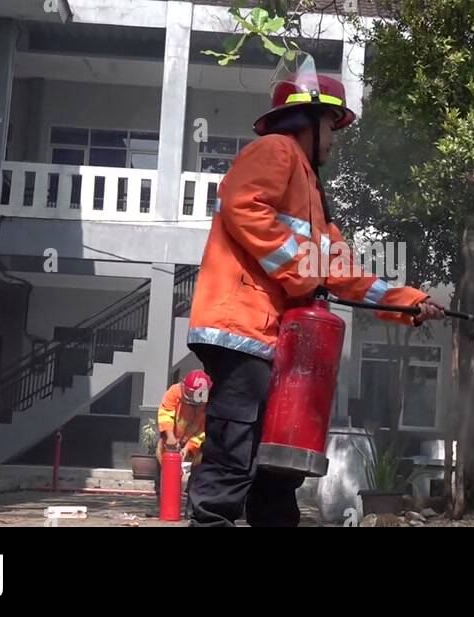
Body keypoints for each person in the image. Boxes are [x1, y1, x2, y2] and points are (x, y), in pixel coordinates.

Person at [184, 53, 445, 527]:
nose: (335, 139)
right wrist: (305, 272)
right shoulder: (276, 151)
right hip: (239, 328)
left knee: (276, 467)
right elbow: (242, 205)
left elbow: (341, 271)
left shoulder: (312, 194)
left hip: (269, 341)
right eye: (331, 123)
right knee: (233, 456)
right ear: (307, 119)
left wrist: (409, 302)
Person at [154, 369, 210, 500]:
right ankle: (162, 501)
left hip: (194, 441)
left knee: (199, 468)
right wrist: (170, 436)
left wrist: (188, 448)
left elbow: (204, 430)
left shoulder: (209, 402)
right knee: (162, 466)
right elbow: (165, 412)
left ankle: (192, 504)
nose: (193, 405)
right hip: (171, 437)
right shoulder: (175, 391)